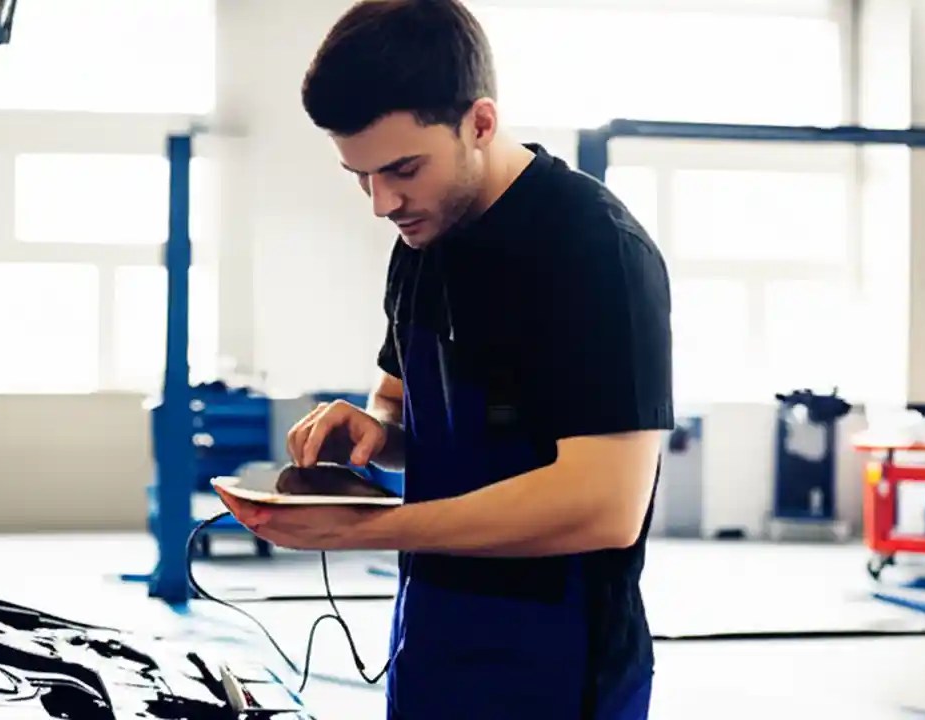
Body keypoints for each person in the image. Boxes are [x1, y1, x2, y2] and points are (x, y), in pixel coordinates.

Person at [213, 1, 674, 718]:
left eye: (401, 168)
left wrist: (366, 528)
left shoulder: (596, 250)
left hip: (559, 665)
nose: (381, 203)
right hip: (431, 636)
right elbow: (399, 402)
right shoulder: (420, 245)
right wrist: (369, 430)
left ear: (480, 123)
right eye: (359, 176)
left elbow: (604, 506)